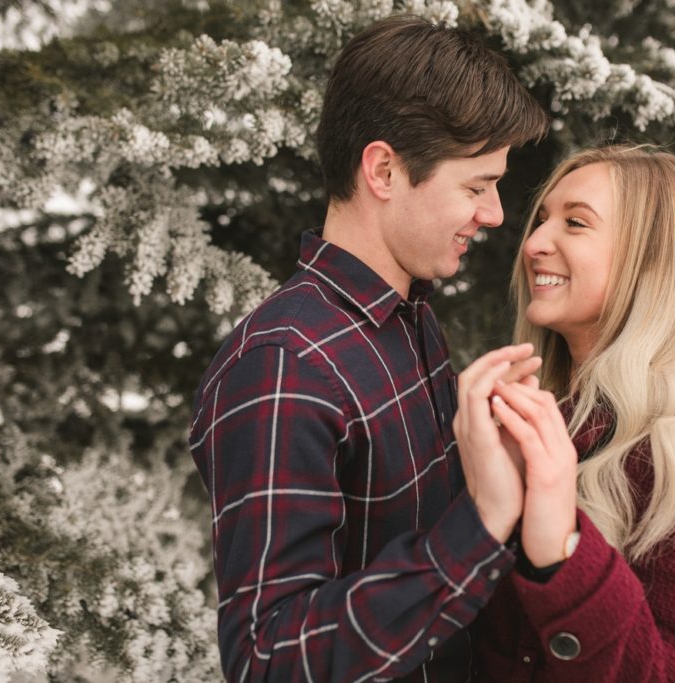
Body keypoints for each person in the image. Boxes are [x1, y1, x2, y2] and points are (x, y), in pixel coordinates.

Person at [188, 15, 549, 681]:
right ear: (384, 168)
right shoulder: (284, 366)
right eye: (476, 185)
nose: (496, 213)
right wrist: (481, 522)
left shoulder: (407, 317)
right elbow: (268, 658)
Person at [466, 145, 675, 681]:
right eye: (541, 221)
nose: (534, 244)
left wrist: (562, 551)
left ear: (653, 259)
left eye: (576, 223)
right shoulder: (539, 420)